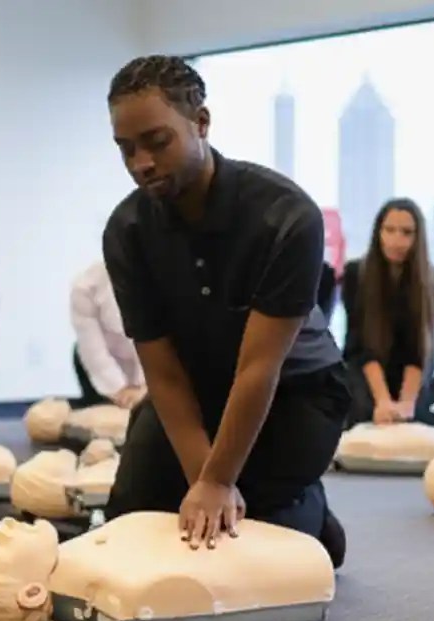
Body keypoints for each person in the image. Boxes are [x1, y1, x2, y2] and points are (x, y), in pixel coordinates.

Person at [100, 55, 352, 567]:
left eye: (156, 141)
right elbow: (163, 374)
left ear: (201, 123)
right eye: (125, 149)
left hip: (295, 392)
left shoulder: (287, 216)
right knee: (133, 517)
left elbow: (260, 367)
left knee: (254, 531)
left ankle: (310, 510)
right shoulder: (125, 231)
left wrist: (218, 481)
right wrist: (203, 480)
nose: (140, 162)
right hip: (194, 388)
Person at [341, 198, 434, 428]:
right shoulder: (355, 274)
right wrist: (383, 401)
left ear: (418, 238)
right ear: (378, 232)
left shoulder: (433, 281)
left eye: (406, 233)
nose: (396, 240)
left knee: (414, 418)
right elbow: (360, 346)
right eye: (389, 230)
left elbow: (417, 350)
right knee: (365, 410)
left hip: (409, 369)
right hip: (365, 366)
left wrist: (406, 404)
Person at [69, 260, 146, 409]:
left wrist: (145, 388)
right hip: (107, 371)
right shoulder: (85, 285)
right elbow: (93, 350)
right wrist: (119, 390)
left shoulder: (158, 276)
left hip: (155, 367)